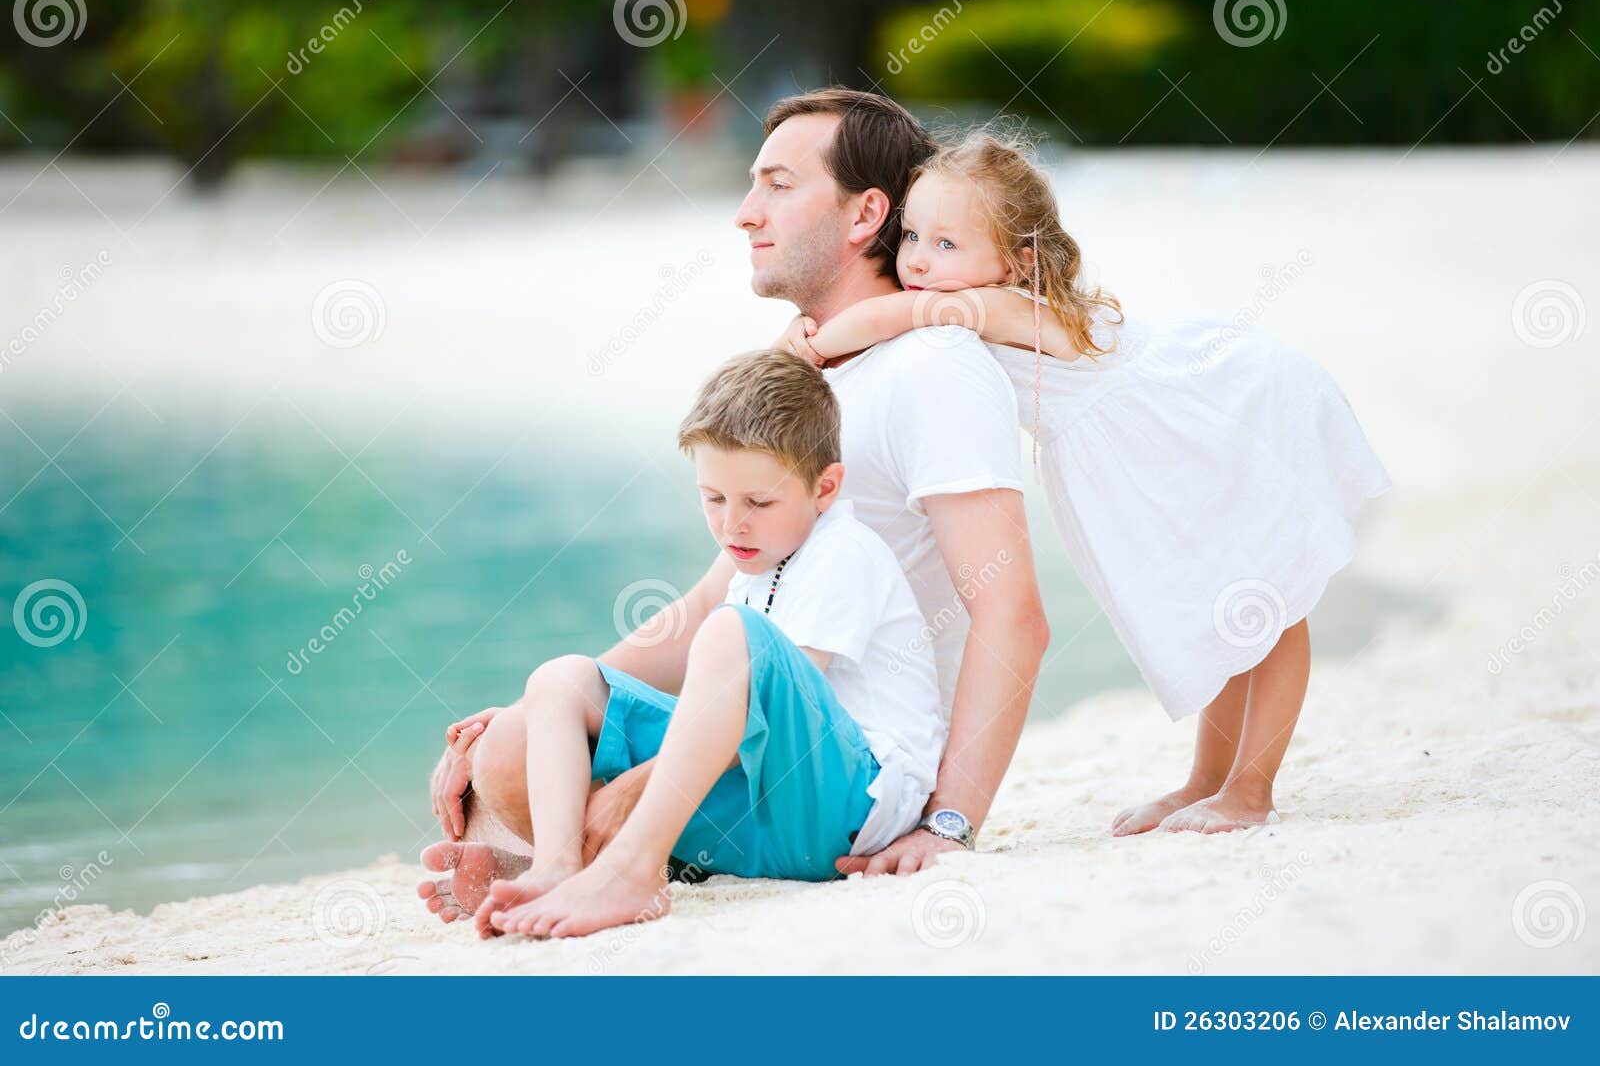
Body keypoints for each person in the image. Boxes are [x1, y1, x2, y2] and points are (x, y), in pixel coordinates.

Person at [421, 88, 1050, 921]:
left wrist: (950, 821)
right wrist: (547, 710)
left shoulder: (932, 368)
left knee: (707, 661)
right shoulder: (803, 382)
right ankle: (573, 859)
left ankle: (626, 859)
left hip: (845, 767)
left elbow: (1012, 612)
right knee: (512, 745)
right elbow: (712, 601)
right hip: (748, 735)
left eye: (778, 186)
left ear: (866, 214)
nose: (746, 213)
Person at [781, 129, 1391, 833]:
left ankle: (1251, 792)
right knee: (1215, 608)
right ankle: (1206, 781)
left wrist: (807, 346)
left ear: (1018, 260)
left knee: (1267, 603)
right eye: (912, 235)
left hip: (1201, 427)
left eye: (946, 244)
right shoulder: (973, 296)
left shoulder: (1000, 304)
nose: (917, 260)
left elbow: (903, 313)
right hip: (1152, 456)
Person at [425, 350, 946, 939]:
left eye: (759, 502)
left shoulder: (842, 553)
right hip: (760, 819)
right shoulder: (757, 564)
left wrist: (633, 786)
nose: (732, 525)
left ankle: (629, 872)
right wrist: (525, 720)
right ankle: (554, 868)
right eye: (714, 498)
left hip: (844, 806)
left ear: (824, 488)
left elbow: (764, 707)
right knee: (559, 680)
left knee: (729, 632)